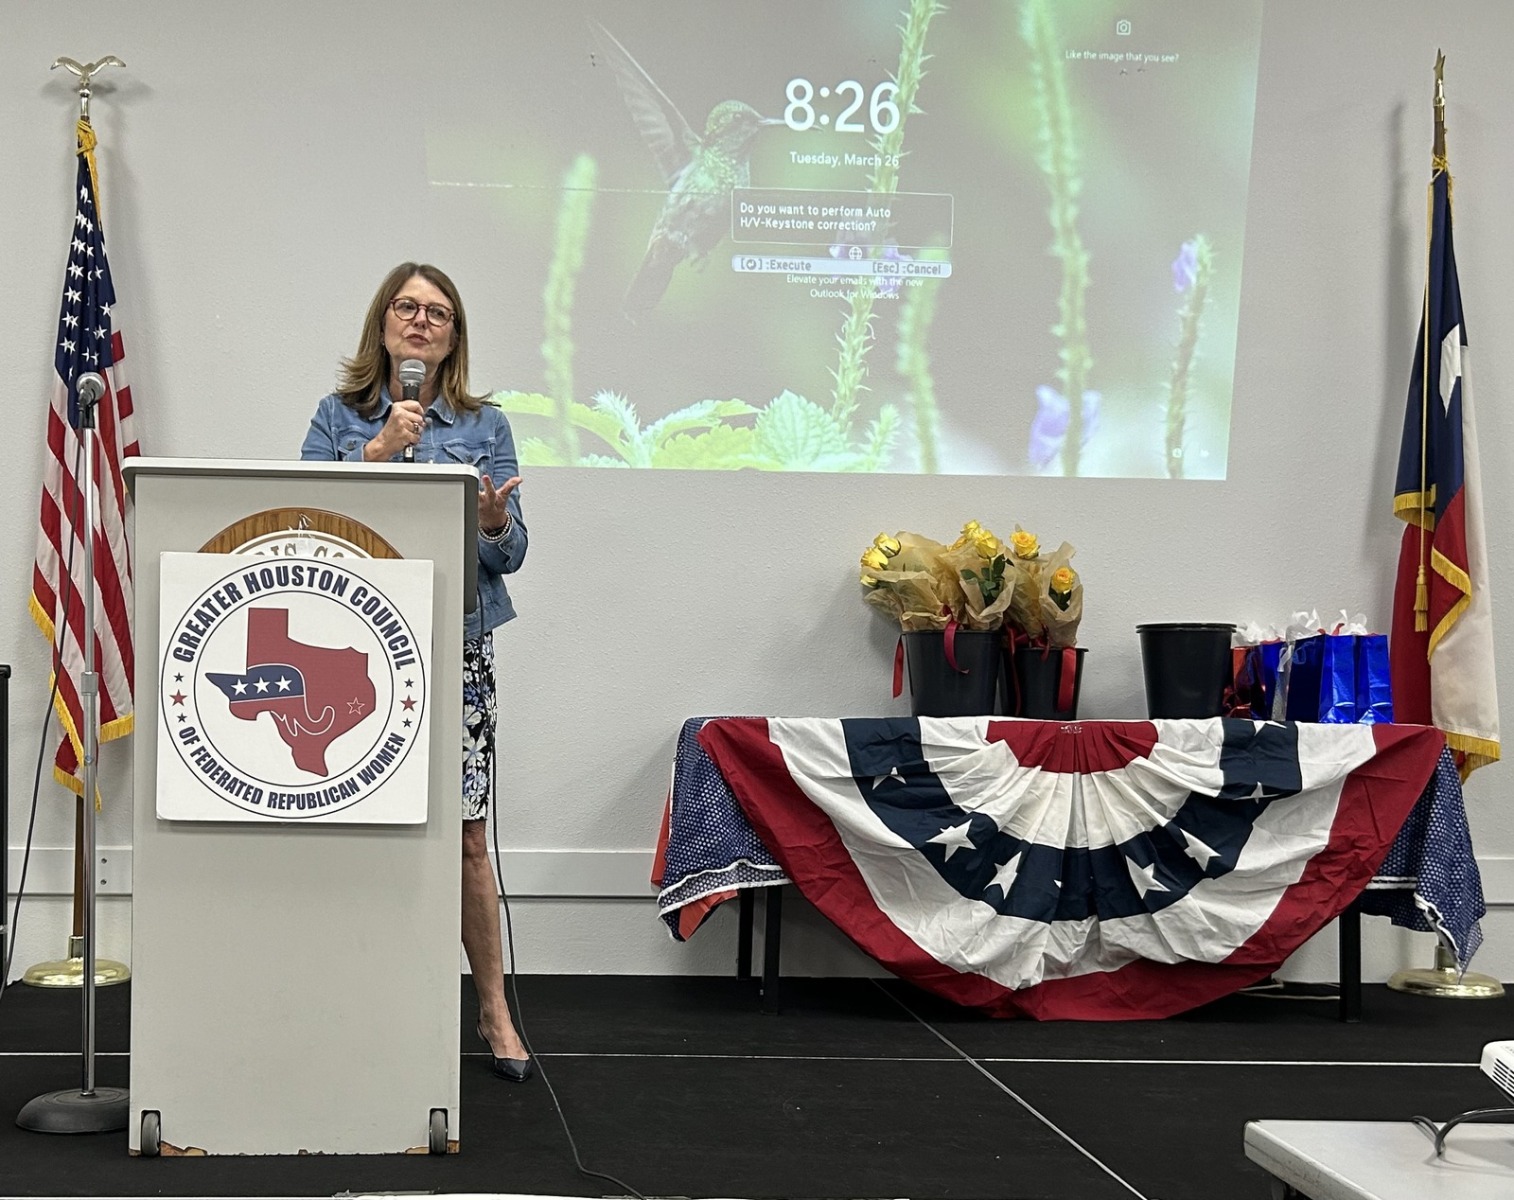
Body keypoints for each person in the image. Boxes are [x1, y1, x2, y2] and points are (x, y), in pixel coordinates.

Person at [300, 262, 532, 1082]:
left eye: (439, 312)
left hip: (456, 644)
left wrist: (496, 522)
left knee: (468, 835)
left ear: (453, 336)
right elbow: (310, 530)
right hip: (354, 655)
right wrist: (377, 453)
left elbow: (510, 553)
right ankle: (365, 998)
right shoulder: (338, 418)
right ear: (384, 323)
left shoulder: (484, 425)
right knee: (356, 824)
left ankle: (494, 1011)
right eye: (408, 307)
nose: (422, 321)